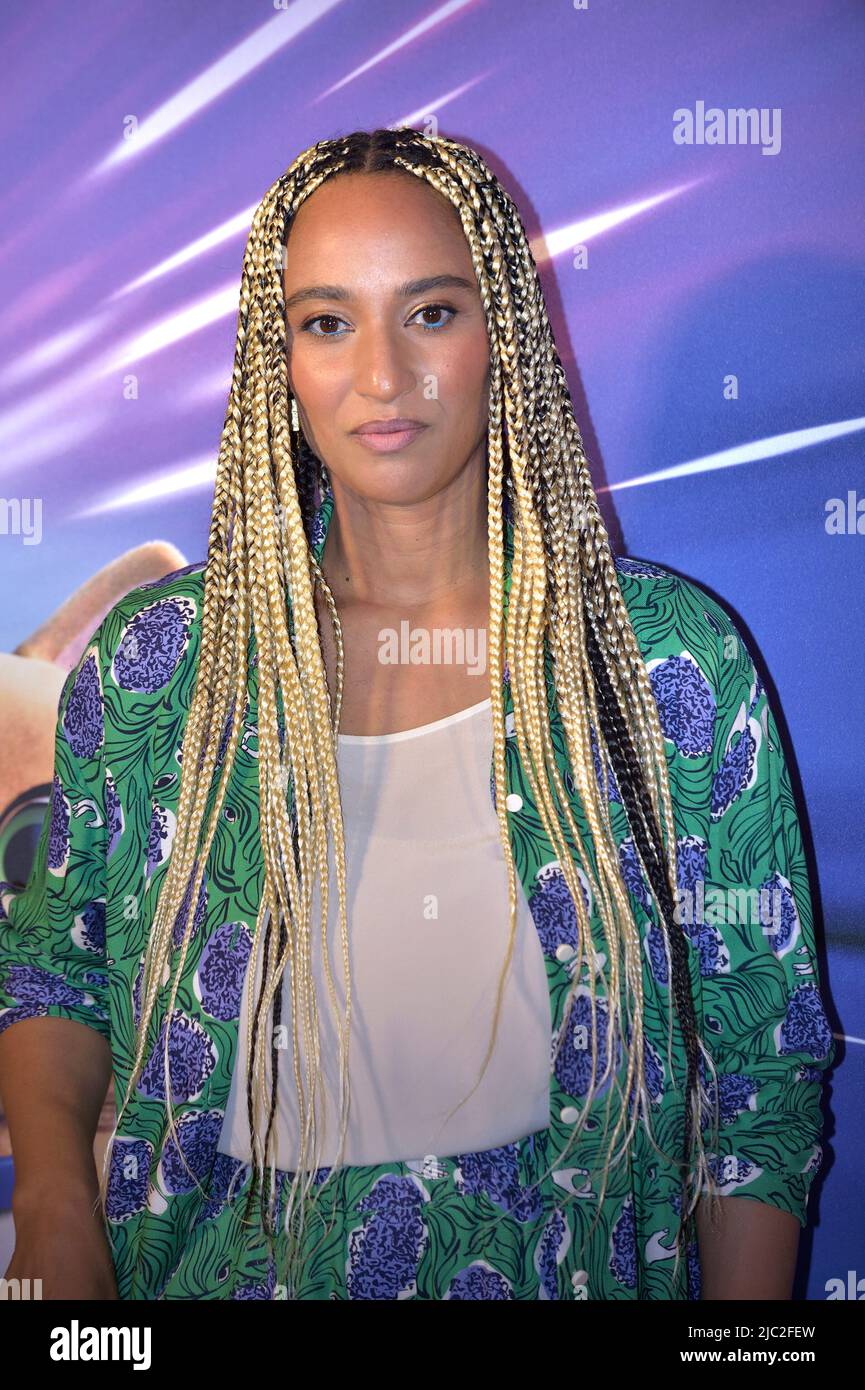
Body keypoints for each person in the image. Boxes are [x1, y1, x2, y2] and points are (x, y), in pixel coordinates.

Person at [0, 127, 834, 1301]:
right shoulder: (161, 667)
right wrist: (49, 1203)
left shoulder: (660, 667)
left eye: (431, 312)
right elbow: (54, 974)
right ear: (275, 360)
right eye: (327, 322)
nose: (382, 378)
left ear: (505, 336)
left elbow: (759, 1077)